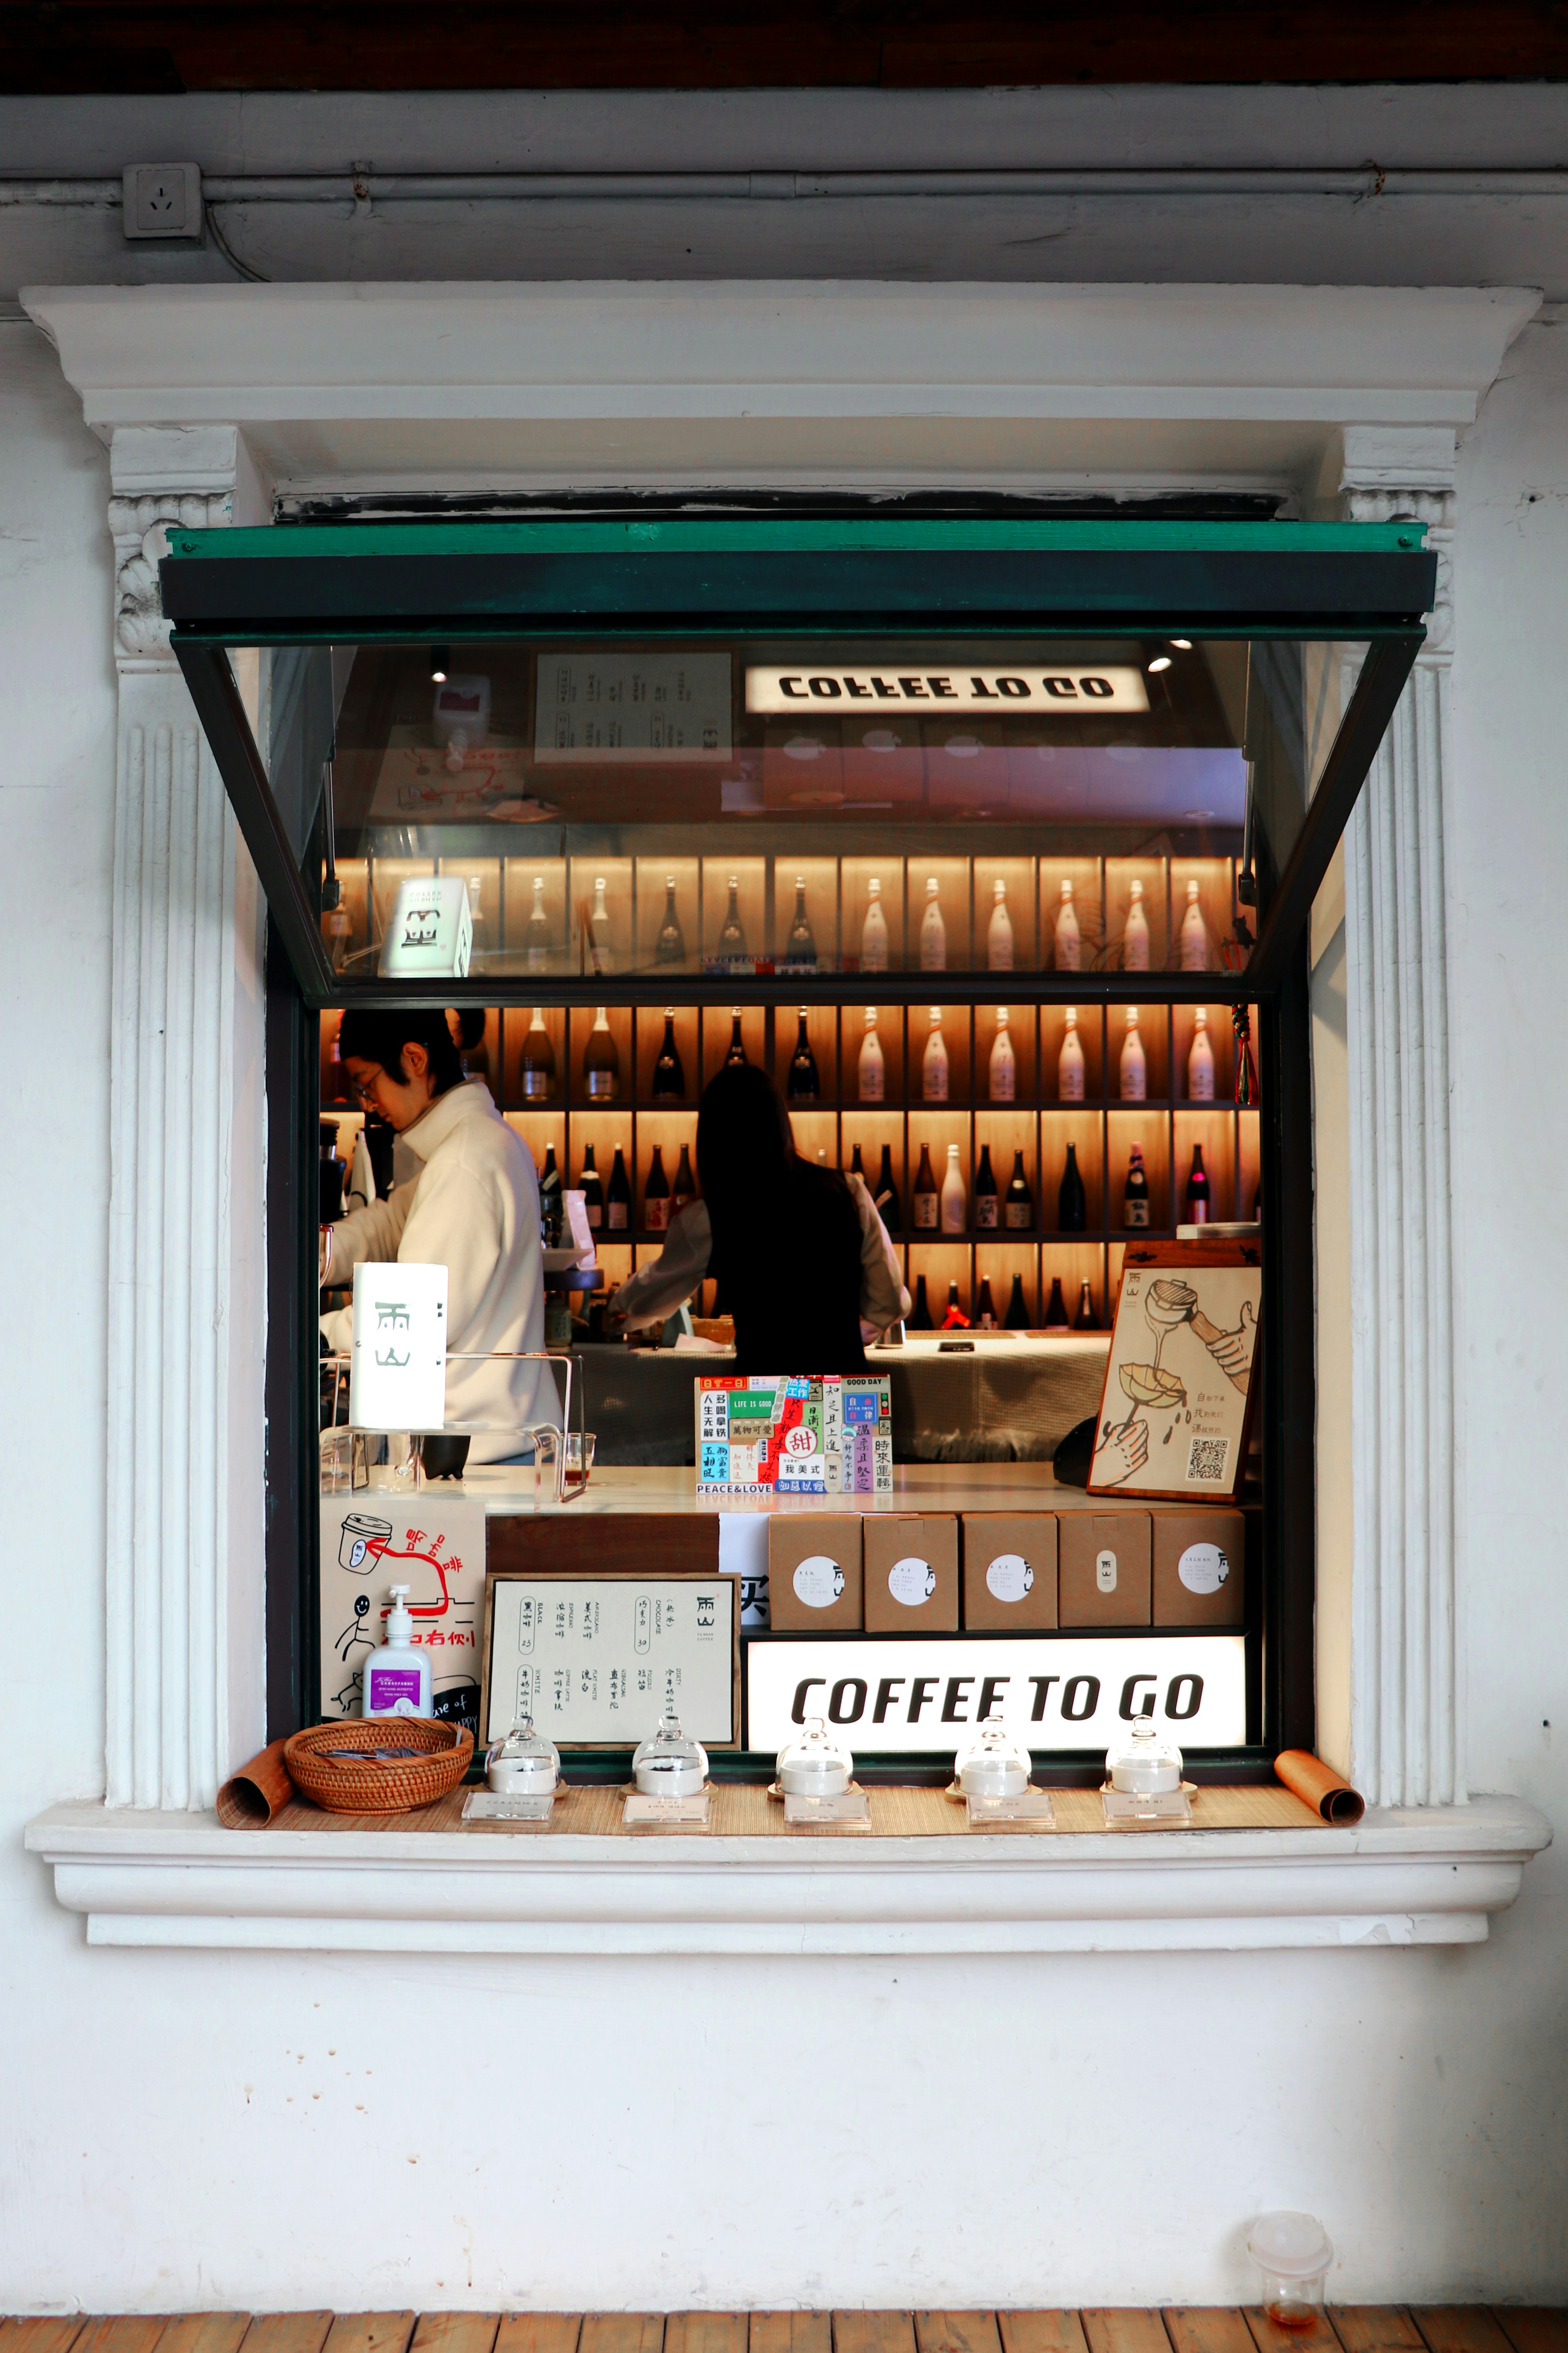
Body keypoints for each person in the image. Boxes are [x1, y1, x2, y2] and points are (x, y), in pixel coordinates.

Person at [320, 1010, 555, 1465]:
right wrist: (316, 1254)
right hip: (501, 1437)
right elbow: (391, 1222)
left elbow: (412, 1317)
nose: (368, 1103)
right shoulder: (476, 1143)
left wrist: (317, 1335)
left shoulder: (462, 1164)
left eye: (367, 1083)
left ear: (414, 1059)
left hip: (476, 1450)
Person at [609, 1062, 909, 1372]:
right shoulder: (848, 1190)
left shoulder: (708, 1217)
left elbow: (653, 1295)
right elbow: (890, 1301)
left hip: (762, 1397)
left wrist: (616, 1310)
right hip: (844, 1393)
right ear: (781, 1123)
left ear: (712, 1137)